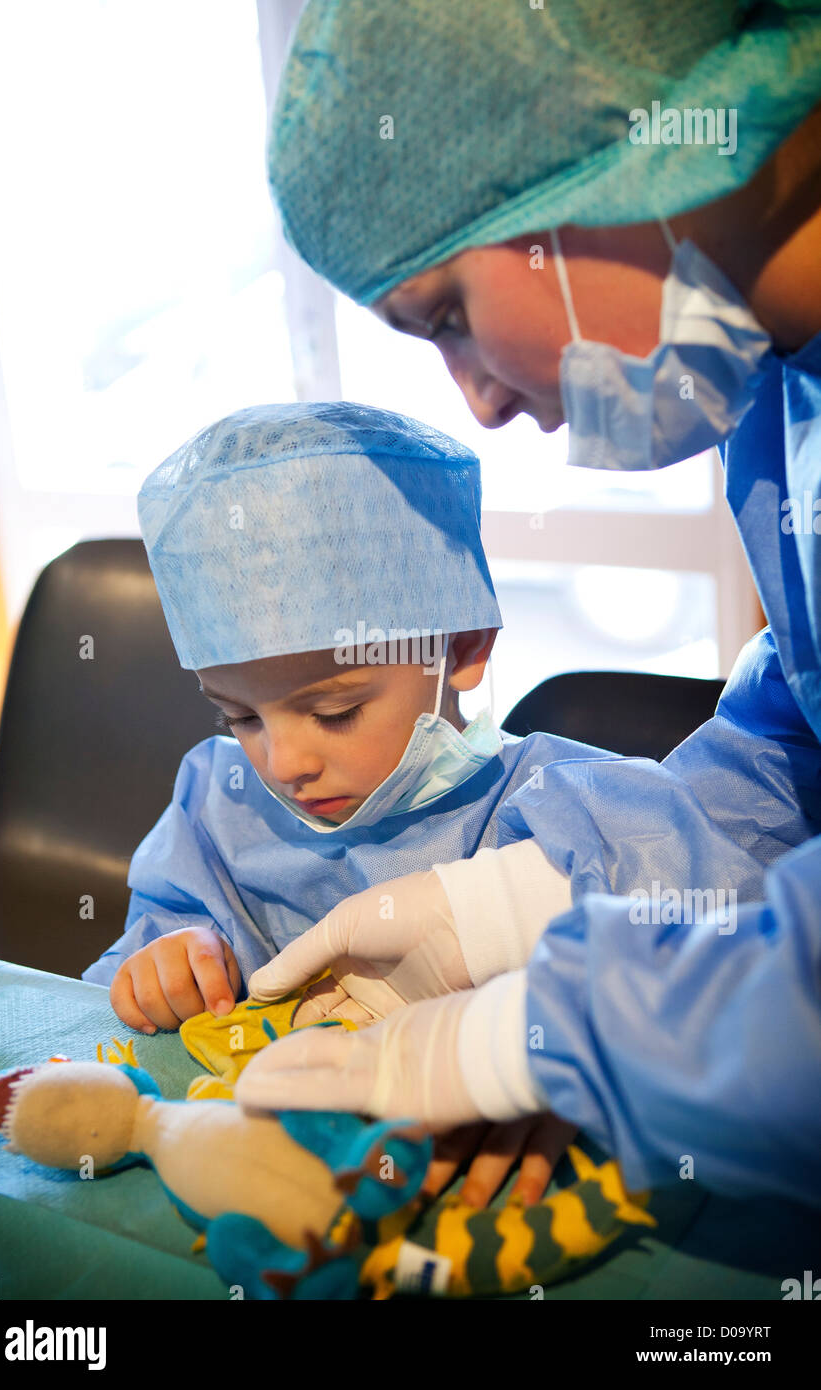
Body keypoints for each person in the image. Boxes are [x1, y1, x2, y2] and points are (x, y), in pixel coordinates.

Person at [234, 0, 821, 1208]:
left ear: (613, 142)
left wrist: (563, 1032)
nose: (480, 405)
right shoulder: (779, 410)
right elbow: (789, 763)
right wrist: (513, 900)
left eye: (446, 316)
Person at [82, 399, 585, 1201]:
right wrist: (168, 959)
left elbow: (660, 978)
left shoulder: (563, 812)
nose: (282, 763)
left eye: (335, 711)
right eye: (238, 715)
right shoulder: (221, 800)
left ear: (460, 647)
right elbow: (153, 939)